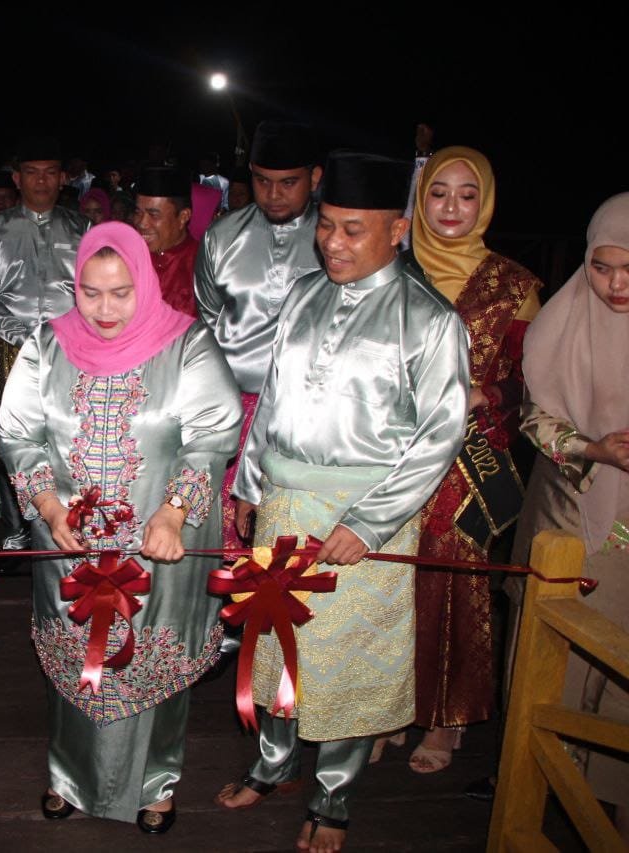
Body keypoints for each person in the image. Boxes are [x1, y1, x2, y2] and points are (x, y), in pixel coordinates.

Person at [217, 151, 469, 852]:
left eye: (354, 230)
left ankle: (333, 795)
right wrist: (250, 483)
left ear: (396, 230)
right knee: (276, 641)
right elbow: (272, 394)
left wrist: (370, 520)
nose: (332, 242)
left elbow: (438, 435)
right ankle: (273, 763)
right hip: (285, 504)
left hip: (366, 517)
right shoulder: (303, 292)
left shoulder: (429, 319)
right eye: (327, 226)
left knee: (350, 660)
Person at [0, 221, 242, 833]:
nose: (105, 309)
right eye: (90, 292)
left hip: (159, 546)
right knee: (75, 658)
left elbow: (212, 434)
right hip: (67, 544)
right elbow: (17, 432)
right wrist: (49, 508)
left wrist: (176, 510)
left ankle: (156, 783)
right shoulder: (45, 345)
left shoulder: (187, 344)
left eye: (122, 292)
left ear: (146, 283)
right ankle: (67, 776)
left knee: (151, 664)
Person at [403, 147, 542, 772]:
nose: (452, 207)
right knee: (387, 575)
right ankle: (388, 706)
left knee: (451, 576)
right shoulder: (392, 270)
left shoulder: (514, 285)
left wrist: (490, 395)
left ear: (484, 202)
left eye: (467, 194)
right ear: (421, 198)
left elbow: (537, 383)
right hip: (390, 454)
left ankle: (445, 717)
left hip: (469, 458)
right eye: (439, 192)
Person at [511, 192, 629, 840]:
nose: (614, 284)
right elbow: (533, 414)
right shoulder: (565, 320)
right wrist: (593, 447)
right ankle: (533, 786)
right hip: (567, 508)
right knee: (551, 659)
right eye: (603, 266)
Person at [194, 120, 323, 551]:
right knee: (222, 543)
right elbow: (207, 320)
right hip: (230, 408)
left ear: (315, 177)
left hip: (307, 418)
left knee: (288, 543)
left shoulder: (337, 240)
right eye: (263, 181)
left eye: (288, 182)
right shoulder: (222, 235)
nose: (273, 194)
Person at [0, 138, 90, 555]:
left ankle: (73, 511)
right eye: (32, 173)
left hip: (73, 348)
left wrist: (72, 335)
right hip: (11, 347)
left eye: (49, 172)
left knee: (69, 430)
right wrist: (21, 335)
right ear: (17, 178)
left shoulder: (82, 229)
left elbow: (92, 288)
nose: (41, 181)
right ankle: (16, 524)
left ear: (62, 178)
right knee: (9, 437)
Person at [134, 166, 198, 317]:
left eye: (153, 215)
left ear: (183, 217)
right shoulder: (126, 257)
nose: (142, 223)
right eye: (138, 212)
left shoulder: (202, 267)